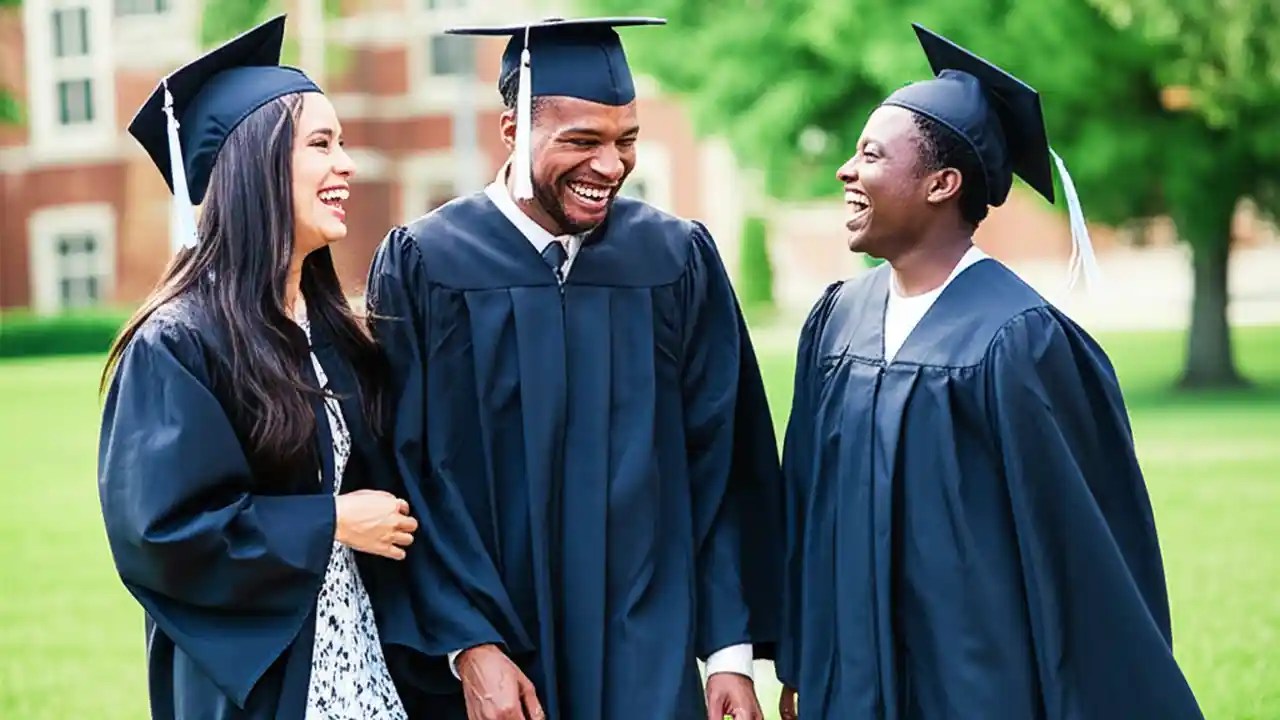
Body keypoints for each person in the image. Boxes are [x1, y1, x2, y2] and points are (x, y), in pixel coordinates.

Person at [775, 24, 1204, 720]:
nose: (845, 171)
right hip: (849, 686)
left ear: (942, 183)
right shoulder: (837, 322)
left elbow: (1082, 558)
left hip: (977, 689)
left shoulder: (1020, 341)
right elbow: (805, 508)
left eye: (871, 155)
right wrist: (802, 664)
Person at [365, 16, 785, 720]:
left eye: (627, 141)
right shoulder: (427, 264)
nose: (612, 165)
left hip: (647, 652)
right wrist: (468, 643)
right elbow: (399, 472)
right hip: (497, 657)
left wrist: (730, 654)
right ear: (512, 132)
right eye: (582, 141)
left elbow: (725, 463)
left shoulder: (674, 260)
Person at [97, 16, 500, 719]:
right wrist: (331, 522)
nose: (346, 163)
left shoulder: (334, 336)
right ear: (257, 163)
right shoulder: (178, 345)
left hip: (370, 676)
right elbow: (162, 536)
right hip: (272, 688)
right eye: (321, 144)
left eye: (342, 142)